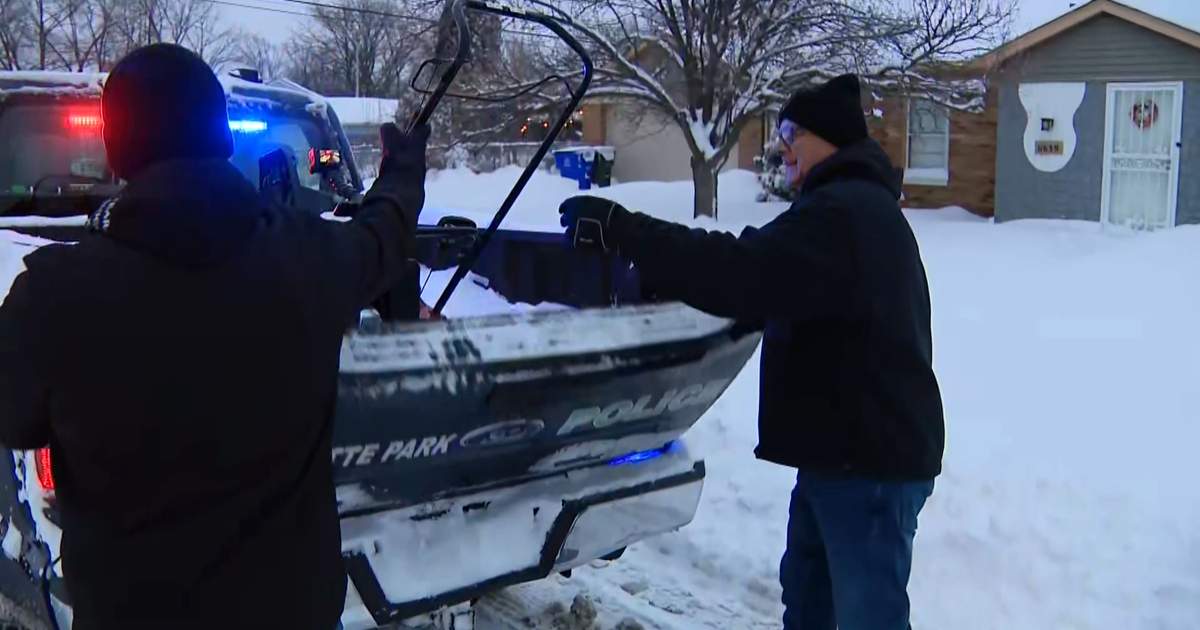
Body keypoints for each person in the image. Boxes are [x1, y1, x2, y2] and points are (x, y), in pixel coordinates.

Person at [0, 43, 428, 630]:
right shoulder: (312, 257)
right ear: (222, 139)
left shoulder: (54, 297)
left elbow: (12, 418)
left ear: (116, 150)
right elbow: (385, 233)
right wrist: (402, 173)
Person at [558, 73, 945, 630]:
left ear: (829, 136)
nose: (780, 146)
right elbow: (764, 284)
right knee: (809, 600)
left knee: (865, 616)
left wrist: (629, 231)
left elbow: (743, 271)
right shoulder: (847, 210)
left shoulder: (844, 215)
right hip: (842, 454)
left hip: (871, 466)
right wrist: (663, 282)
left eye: (792, 131)